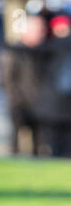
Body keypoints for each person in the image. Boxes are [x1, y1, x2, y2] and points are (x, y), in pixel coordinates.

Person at [0, 8, 48, 155]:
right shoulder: (13, 51)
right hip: (20, 103)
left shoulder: (43, 51)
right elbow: (6, 80)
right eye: (37, 29)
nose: (41, 32)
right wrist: (16, 100)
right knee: (16, 141)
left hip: (39, 103)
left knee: (39, 144)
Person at [34, 10, 71, 158]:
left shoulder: (51, 45)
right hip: (54, 104)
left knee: (59, 144)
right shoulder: (50, 46)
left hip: (57, 103)